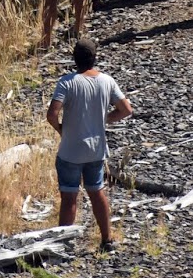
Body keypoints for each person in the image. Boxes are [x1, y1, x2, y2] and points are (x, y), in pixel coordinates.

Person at [47, 39, 132, 250]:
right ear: (94, 58)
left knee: (69, 197)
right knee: (96, 192)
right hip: (96, 149)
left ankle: (63, 244)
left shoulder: (67, 82)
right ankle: (107, 239)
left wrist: (61, 129)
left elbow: (52, 114)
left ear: (74, 58)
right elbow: (126, 109)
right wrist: (104, 119)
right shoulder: (107, 81)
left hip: (71, 150)